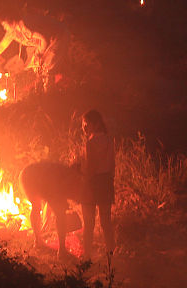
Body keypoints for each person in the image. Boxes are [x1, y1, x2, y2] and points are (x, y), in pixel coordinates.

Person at [76, 110, 116, 260]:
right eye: (83, 124)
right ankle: (111, 253)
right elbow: (112, 165)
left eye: (87, 124)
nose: (84, 127)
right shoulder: (108, 140)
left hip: (92, 183)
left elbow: (90, 167)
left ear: (96, 124)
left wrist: (83, 178)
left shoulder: (90, 143)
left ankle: (87, 255)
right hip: (106, 182)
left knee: (89, 222)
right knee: (106, 221)